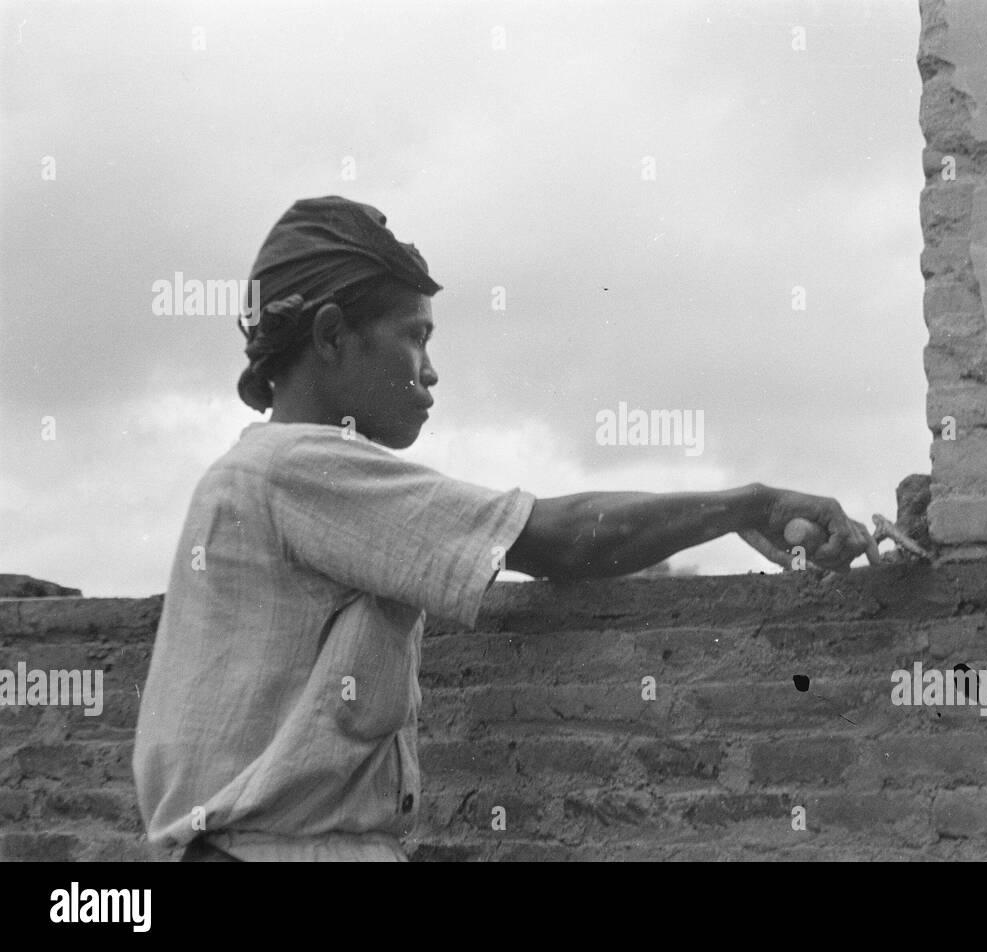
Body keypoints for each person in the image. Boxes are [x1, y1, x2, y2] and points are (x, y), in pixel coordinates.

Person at [133, 195, 879, 862]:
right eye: (414, 337)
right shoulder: (298, 467)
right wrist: (751, 503)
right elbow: (561, 538)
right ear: (331, 337)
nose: (430, 373)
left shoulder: (262, 474)